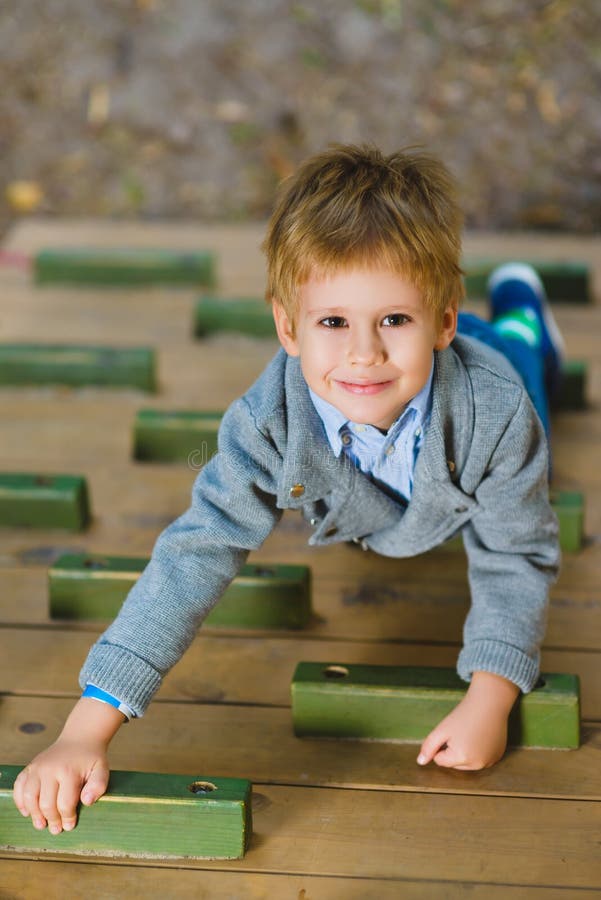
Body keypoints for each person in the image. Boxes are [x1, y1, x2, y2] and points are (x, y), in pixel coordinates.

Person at [14, 144, 561, 835]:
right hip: (423, 399)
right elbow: (196, 553)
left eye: (393, 319)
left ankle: (519, 317)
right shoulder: (266, 423)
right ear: (287, 327)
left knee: (530, 373)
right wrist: (84, 730)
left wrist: (492, 694)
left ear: (441, 320)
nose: (363, 353)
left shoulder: (494, 411)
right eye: (332, 322)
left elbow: (515, 551)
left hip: (489, 375)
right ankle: (502, 318)